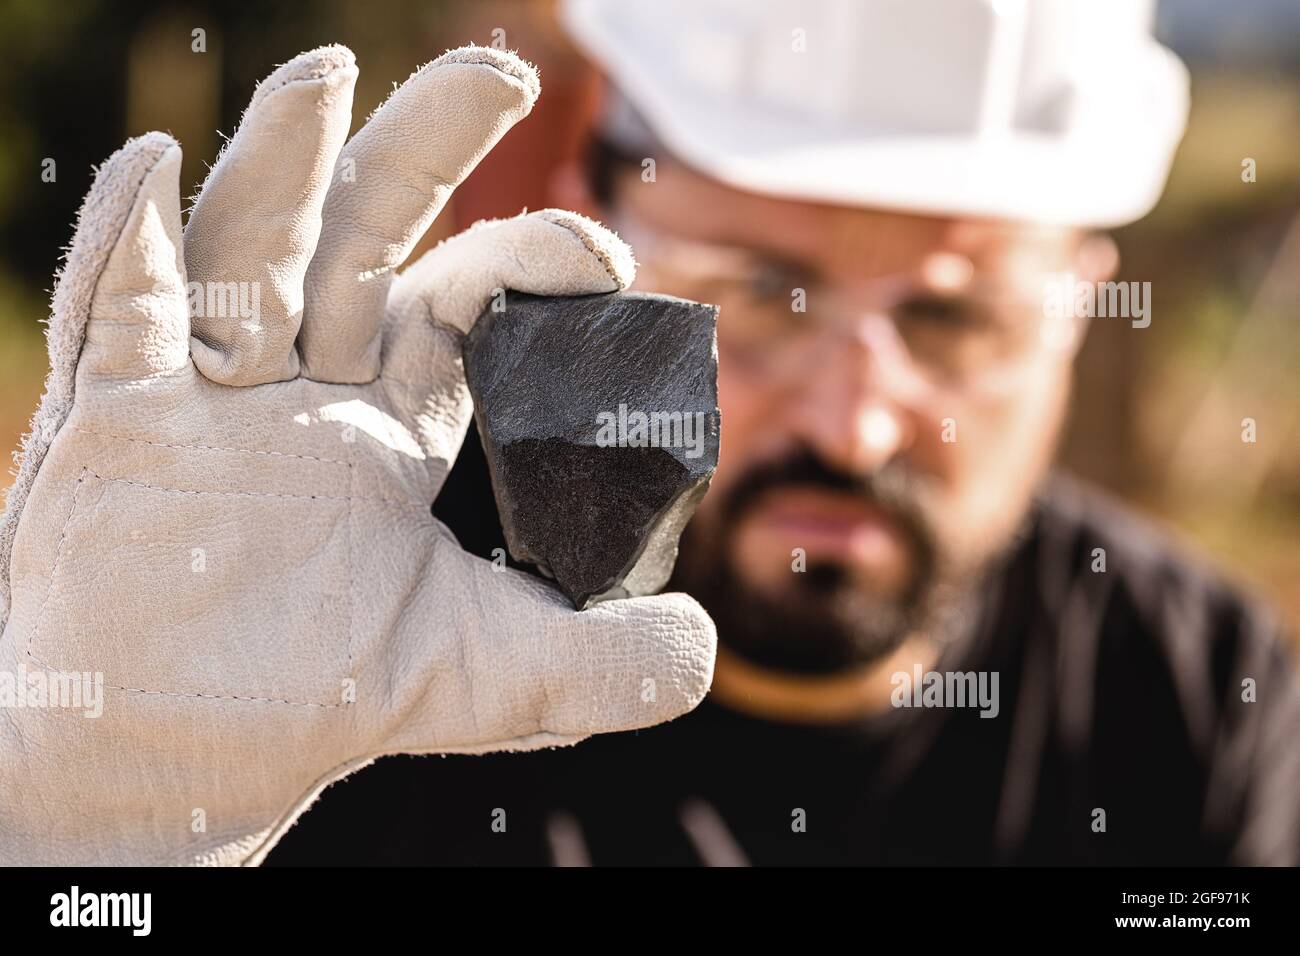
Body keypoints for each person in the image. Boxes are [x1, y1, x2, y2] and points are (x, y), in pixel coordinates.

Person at [266, 0, 1300, 866]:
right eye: (760, 295)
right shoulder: (356, 644)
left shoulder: (1191, 699)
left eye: (955, 320)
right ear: (581, 241)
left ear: (1076, 312)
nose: (850, 428)